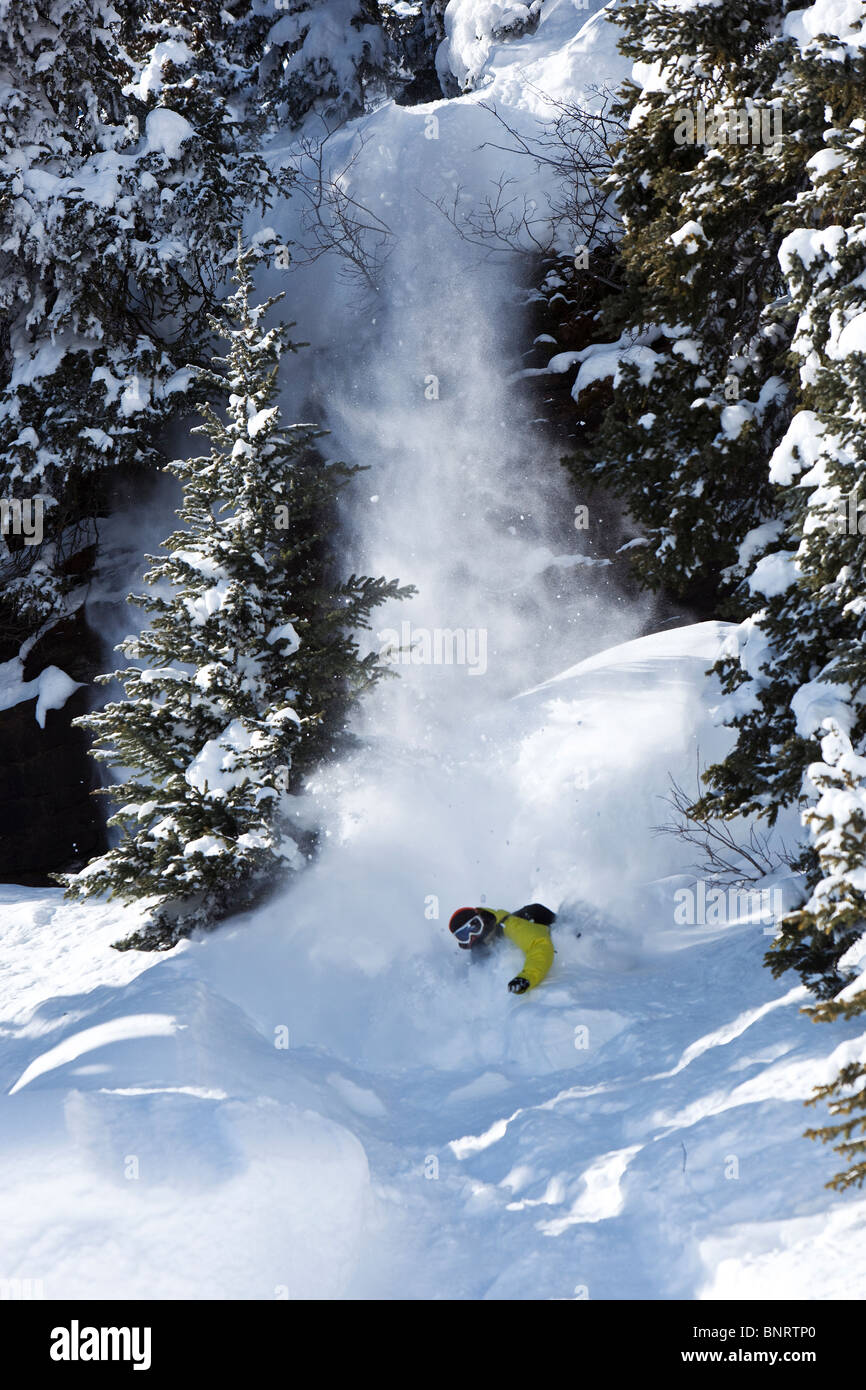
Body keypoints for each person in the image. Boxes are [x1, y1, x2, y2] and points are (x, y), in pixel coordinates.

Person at [449, 903, 556, 994]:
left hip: (550, 932)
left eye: (474, 926)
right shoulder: (479, 950)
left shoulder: (509, 925)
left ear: (483, 919)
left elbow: (539, 944)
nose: (472, 936)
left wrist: (526, 978)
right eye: (463, 935)